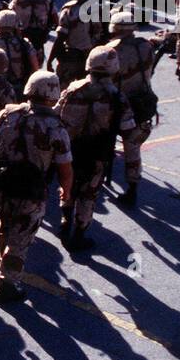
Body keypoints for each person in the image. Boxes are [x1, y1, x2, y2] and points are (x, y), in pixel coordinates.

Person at [0, 70, 73, 305]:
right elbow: (64, 166)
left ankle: (4, 267)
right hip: (31, 189)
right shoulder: (55, 125)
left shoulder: (7, 113)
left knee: (4, 223)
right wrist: (67, 190)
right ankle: (8, 284)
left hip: (4, 182)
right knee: (21, 239)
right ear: (53, 94)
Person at [55, 46, 135, 253]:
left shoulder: (72, 90)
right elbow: (128, 130)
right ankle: (79, 234)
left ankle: (65, 222)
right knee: (88, 194)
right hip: (97, 154)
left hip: (69, 151)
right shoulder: (117, 97)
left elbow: (55, 116)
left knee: (67, 186)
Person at [104, 12, 159, 206]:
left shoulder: (111, 50)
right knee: (133, 147)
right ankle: (133, 187)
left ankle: (104, 175)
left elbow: (105, 79)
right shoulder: (146, 45)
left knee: (106, 139)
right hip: (144, 100)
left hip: (120, 105)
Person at [45, 0, 103, 86]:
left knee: (62, 89)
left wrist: (50, 59)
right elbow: (99, 34)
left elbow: (61, 36)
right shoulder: (94, 9)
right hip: (89, 57)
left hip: (70, 57)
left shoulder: (69, 9)